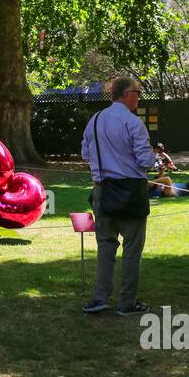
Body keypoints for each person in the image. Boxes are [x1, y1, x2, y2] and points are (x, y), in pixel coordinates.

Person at [79, 76, 156, 316]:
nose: (139, 96)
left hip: (102, 190)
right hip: (131, 190)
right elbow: (145, 160)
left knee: (105, 245)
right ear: (125, 94)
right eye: (138, 92)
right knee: (132, 248)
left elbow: (85, 153)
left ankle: (100, 297)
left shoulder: (95, 120)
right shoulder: (132, 123)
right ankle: (127, 302)